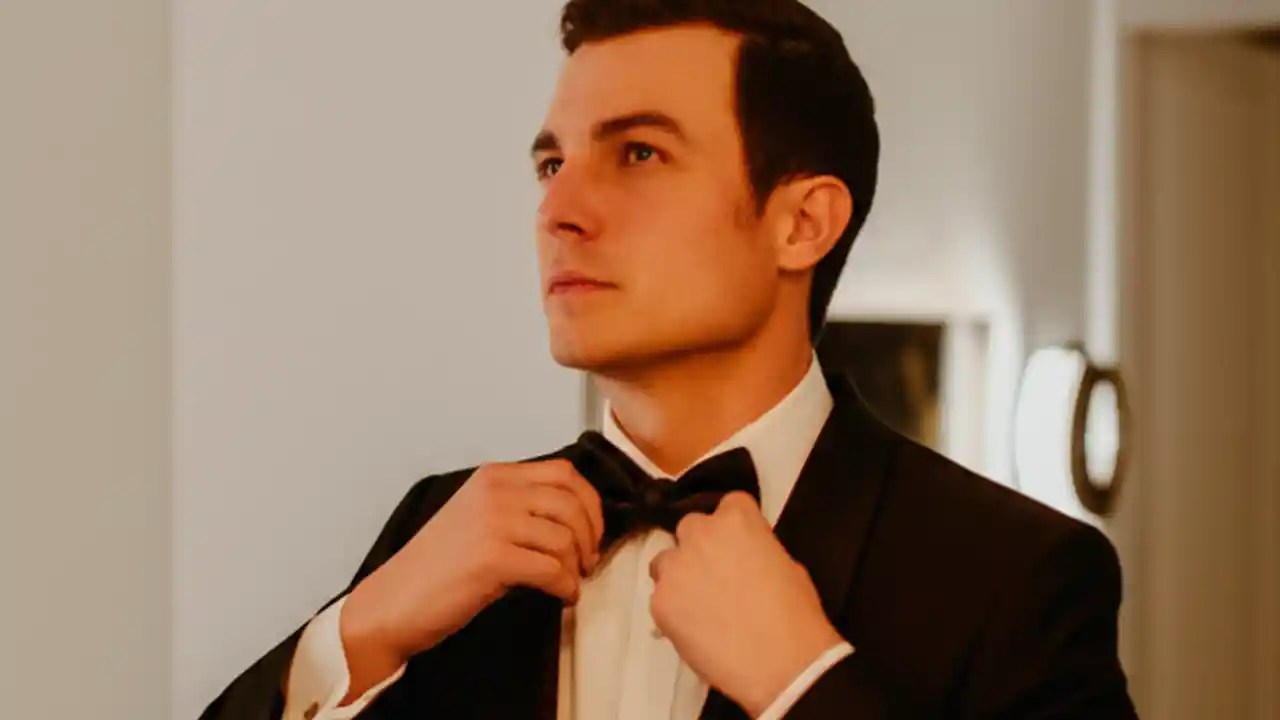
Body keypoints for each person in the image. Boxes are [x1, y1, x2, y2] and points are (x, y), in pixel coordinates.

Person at [200, 0, 1137, 718]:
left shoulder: (1014, 576)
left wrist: (805, 686)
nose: (558, 211)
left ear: (801, 222)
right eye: (550, 164)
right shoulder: (439, 530)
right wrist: (363, 630)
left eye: (638, 154)